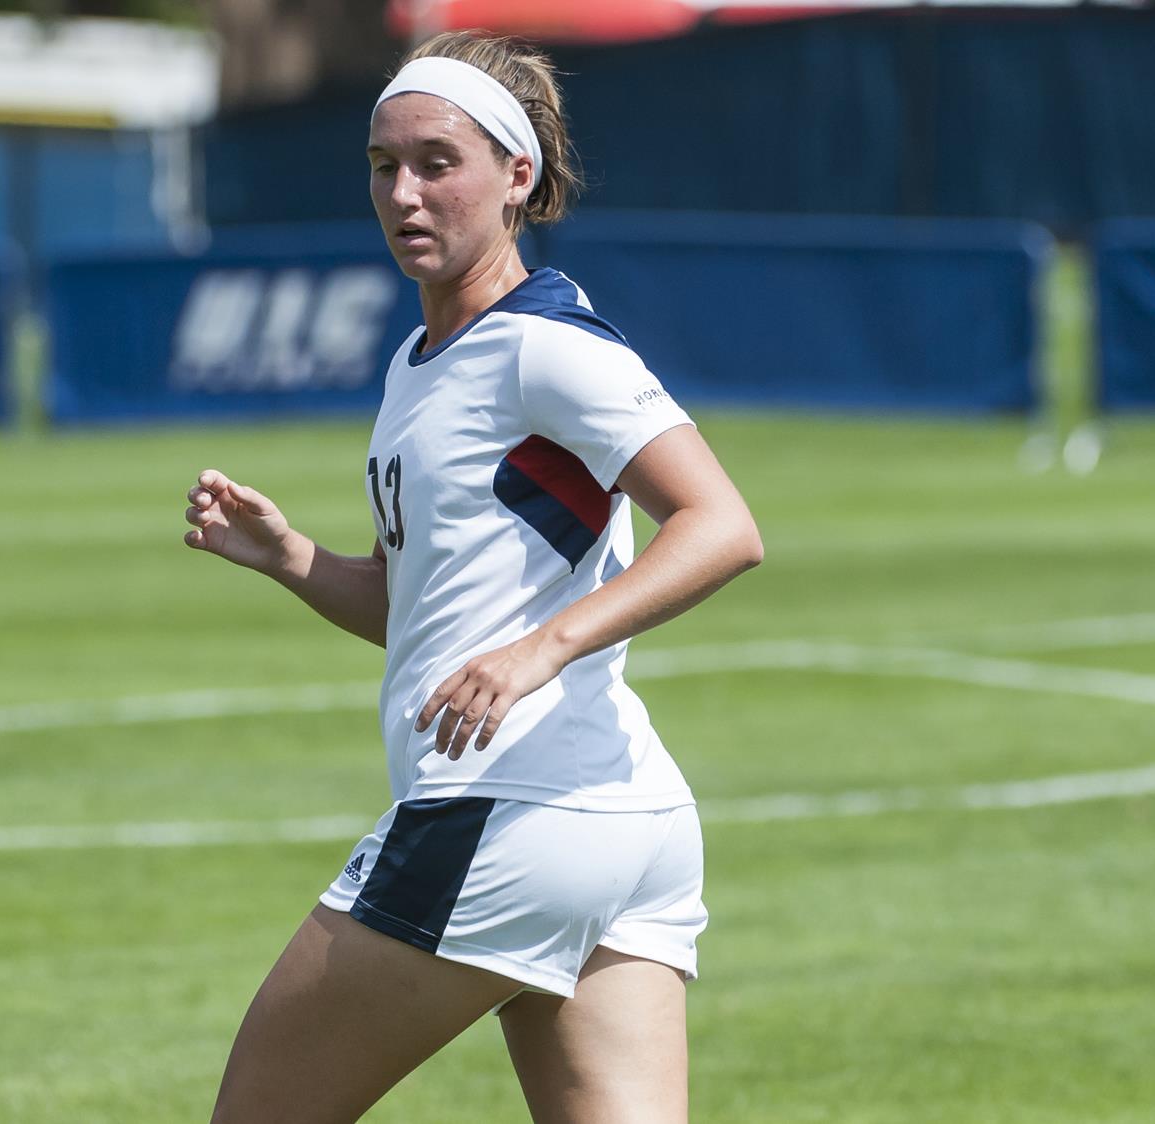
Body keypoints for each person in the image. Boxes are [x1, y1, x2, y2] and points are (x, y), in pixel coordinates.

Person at [184, 30, 764, 1124]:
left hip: (505, 812)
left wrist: (538, 648)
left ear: (516, 177)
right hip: (617, 820)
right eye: (380, 162)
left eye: (436, 162)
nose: (403, 191)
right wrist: (292, 558)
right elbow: (426, 620)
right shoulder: (423, 361)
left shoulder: (546, 346)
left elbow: (721, 524)